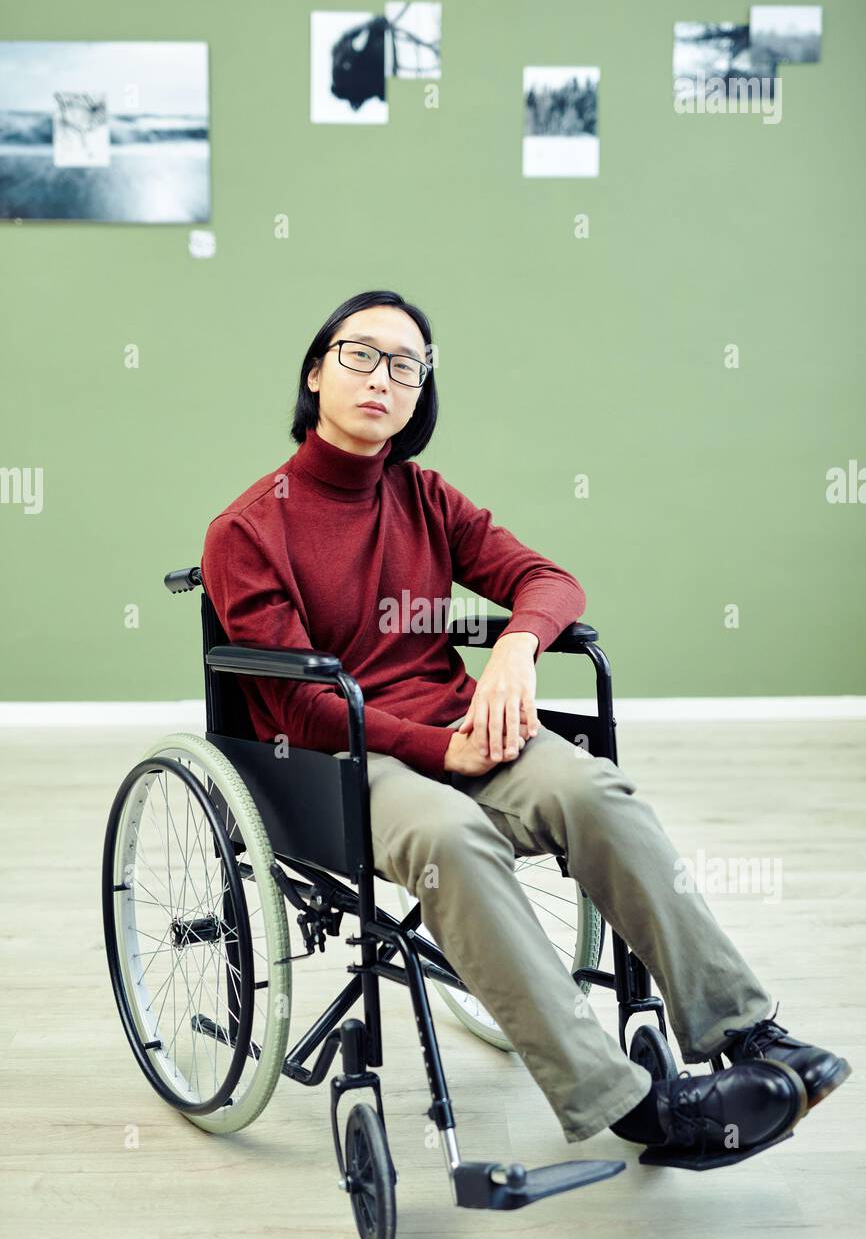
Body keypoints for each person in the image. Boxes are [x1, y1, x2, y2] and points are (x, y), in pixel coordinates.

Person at [201, 288, 852, 1167]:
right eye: (360, 355)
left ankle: (745, 1031)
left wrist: (516, 647)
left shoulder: (426, 498)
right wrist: (441, 748)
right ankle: (633, 1108)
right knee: (452, 835)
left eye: (407, 365)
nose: (382, 378)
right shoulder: (247, 529)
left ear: (421, 391)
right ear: (316, 373)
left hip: (457, 727)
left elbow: (550, 581)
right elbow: (299, 709)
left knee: (594, 791)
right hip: (337, 758)